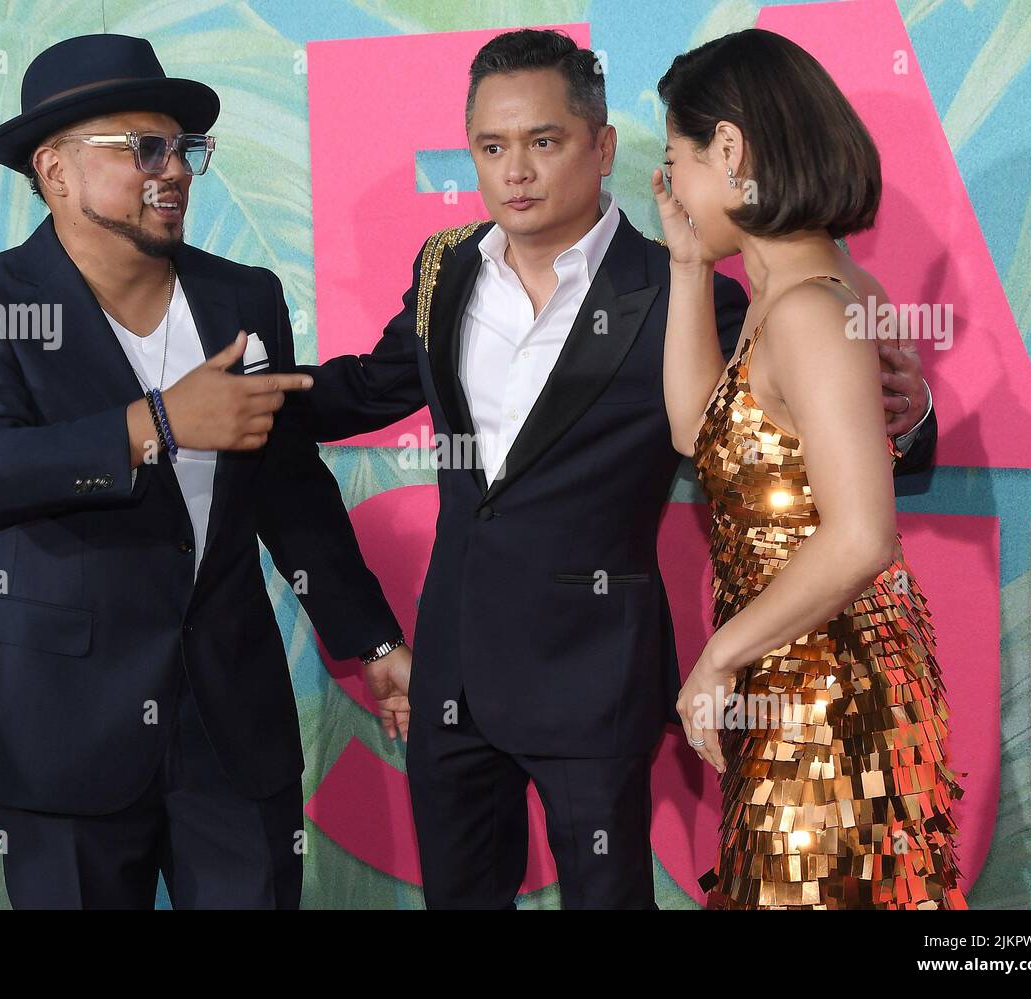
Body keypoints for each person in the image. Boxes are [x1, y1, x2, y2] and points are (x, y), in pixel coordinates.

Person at [295, 28, 937, 908]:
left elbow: (807, 438)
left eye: (543, 141)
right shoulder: (446, 270)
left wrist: (916, 411)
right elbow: (364, 389)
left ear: (603, 149)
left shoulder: (700, 292)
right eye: (490, 147)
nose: (514, 170)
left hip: (594, 679)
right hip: (454, 678)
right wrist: (235, 402)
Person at [0, 33, 411, 909]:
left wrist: (370, 637)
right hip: (61, 730)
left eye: (183, 147)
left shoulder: (243, 297)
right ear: (55, 170)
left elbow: (288, 488)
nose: (172, 168)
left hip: (232, 724)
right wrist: (159, 423)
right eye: (142, 147)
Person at [653, 27, 965, 909]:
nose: (670, 184)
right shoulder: (800, 292)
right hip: (795, 675)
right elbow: (695, 429)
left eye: (677, 158)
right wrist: (685, 264)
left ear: (729, 148)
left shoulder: (813, 310)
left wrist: (716, 658)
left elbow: (863, 533)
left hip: (831, 694)